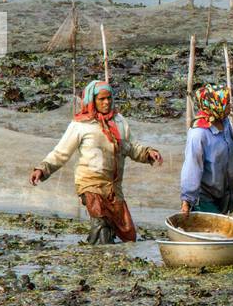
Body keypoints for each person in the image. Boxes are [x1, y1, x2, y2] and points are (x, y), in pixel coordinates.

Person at [30, 80, 162, 244]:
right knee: (101, 225)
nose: (106, 102)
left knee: (129, 236)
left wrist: (148, 153)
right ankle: (98, 261)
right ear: (92, 101)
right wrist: (42, 169)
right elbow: (61, 152)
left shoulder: (119, 121)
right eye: (101, 99)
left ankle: (94, 250)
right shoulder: (81, 125)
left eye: (109, 98)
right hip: (89, 183)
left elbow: (130, 147)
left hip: (113, 187)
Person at [179, 84, 233, 216]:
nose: (230, 106)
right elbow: (192, 167)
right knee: (214, 232)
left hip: (223, 191)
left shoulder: (226, 123)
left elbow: (227, 151)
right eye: (226, 103)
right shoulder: (199, 134)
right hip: (204, 196)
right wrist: (187, 200)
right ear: (215, 105)